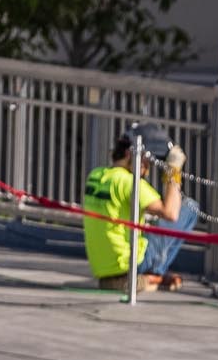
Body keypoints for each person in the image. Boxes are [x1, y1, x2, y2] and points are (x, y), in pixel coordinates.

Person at [83, 126, 202, 295]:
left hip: (103, 267)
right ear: (131, 155)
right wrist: (174, 171)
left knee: (148, 224)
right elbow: (172, 213)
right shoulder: (130, 182)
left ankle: (151, 275)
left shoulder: (95, 175)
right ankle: (155, 270)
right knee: (190, 207)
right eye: (146, 162)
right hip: (131, 263)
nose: (147, 169)